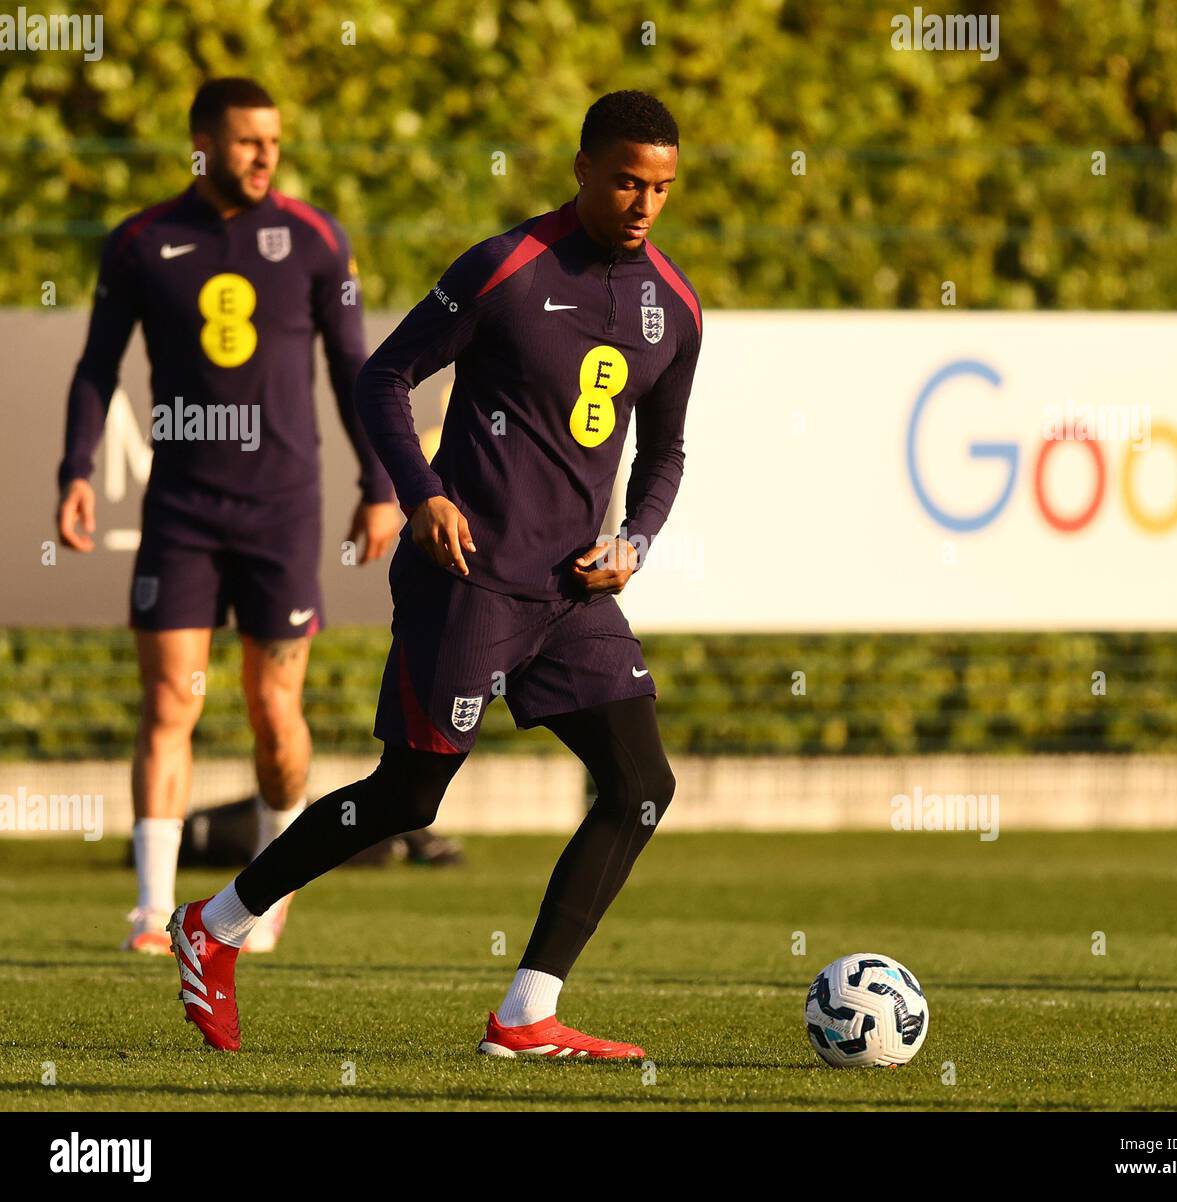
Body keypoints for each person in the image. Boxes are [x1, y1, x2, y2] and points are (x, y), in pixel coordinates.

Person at [168, 89, 702, 1059]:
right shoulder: (505, 267)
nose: (641, 202)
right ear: (582, 167)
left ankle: (526, 1009)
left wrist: (637, 538)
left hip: (573, 592)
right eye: (626, 179)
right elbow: (383, 376)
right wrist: (419, 491)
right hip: (467, 578)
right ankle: (216, 922)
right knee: (409, 797)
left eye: (661, 186)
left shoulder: (676, 305)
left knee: (639, 785)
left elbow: (665, 451)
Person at [56, 77, 402, 954]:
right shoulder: (141, 241)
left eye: (274, 142)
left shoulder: (318, 239)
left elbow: (355, 367)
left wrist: (381, 483)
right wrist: (77, 470)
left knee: (272, 708)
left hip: (284, 511)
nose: (264, 157)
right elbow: (97, 367)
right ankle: (150, 912)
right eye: (248, 141)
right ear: (202, 144)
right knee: (170, 698)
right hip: (179, 509)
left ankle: (267, 892)